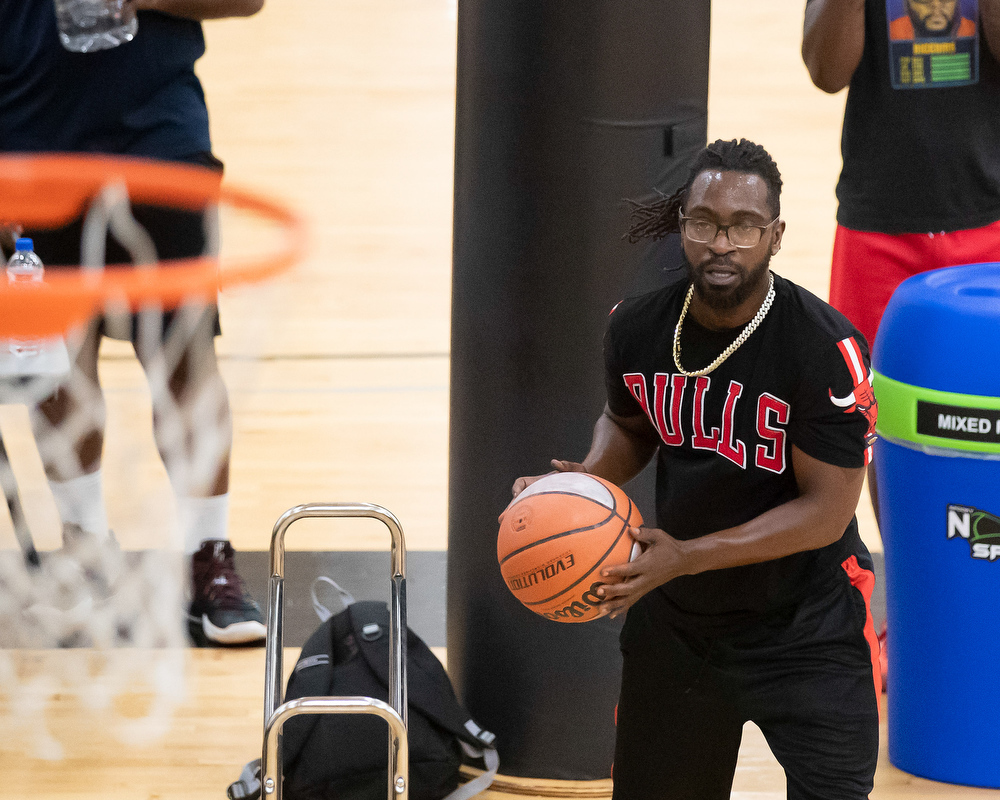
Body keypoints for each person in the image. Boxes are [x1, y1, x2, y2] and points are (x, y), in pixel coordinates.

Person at [512, 139, 882, 799]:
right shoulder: (638, 326)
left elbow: (826, 511)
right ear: (683, 225)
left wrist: (686, 555)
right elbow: (629, 425)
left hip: (804, 627)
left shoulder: (822, 348)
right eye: (705, 222)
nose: (723, 243)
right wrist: (582, 485)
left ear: (774, 236)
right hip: (679, 627)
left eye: (744, 227)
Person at [0, 0, 267, 646]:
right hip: (28, 142)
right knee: (57, 362)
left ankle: (210, 559)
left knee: (184, 354)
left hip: (159, 137)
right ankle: (86, 547)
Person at [802, 0, 1000, 682]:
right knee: (876, 427)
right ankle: (917, 614)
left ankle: (984, 599)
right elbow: (826, 69)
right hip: (879, 224)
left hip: (989, 215)